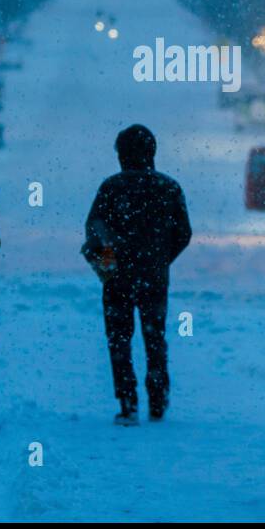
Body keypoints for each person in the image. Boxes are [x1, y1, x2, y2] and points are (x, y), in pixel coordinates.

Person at [84, 124, 192, 425]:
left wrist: (110, 261)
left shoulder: (111, 188)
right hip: (154, 277)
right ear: (152, 152)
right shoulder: (169, 187)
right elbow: (184, 234)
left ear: (121, 155)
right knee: (154, 337)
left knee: (119, 339)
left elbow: (96, 230)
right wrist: (160, 259)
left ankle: (127, 401)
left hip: (117, 278)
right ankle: (157, 400)